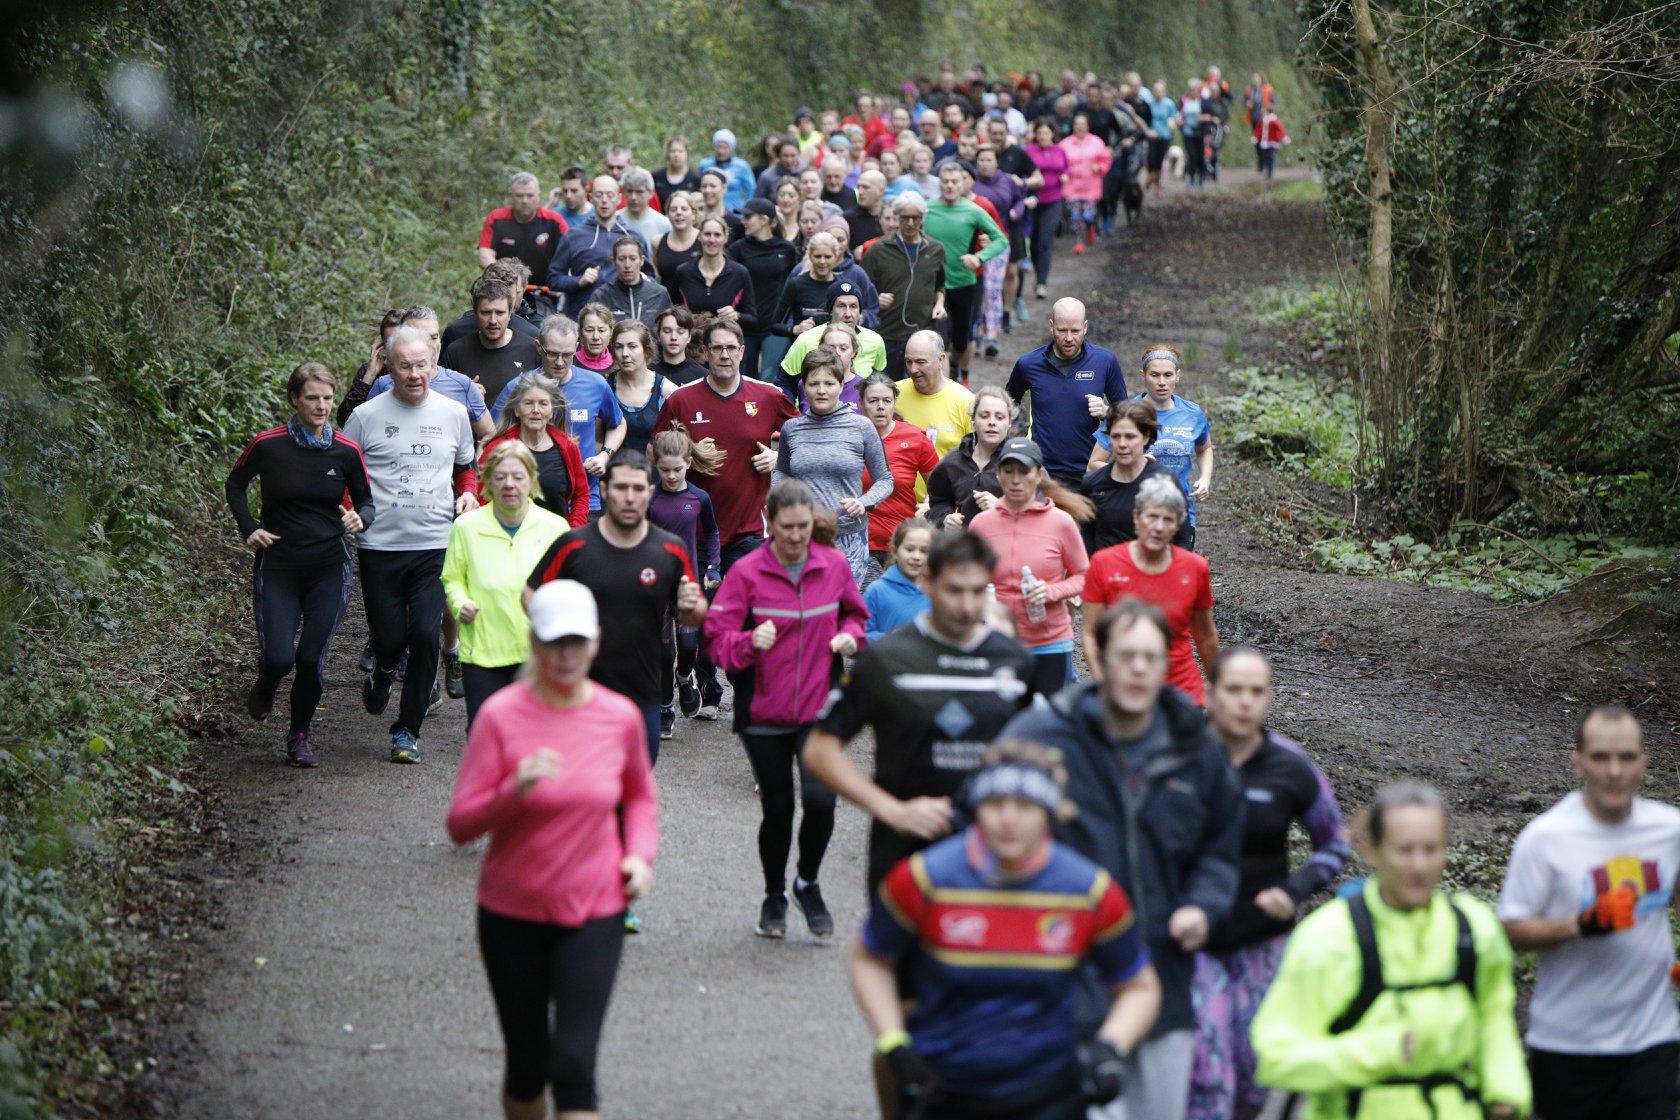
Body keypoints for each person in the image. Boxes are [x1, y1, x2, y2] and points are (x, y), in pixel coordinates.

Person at [1002, 599, 1244, 1120]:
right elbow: (985, 824)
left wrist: (1204, 905)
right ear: (1100, 658)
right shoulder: (1044, 740)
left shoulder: (1197, 749)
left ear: (1166, 663)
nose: (1138, 669)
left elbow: (1222, 850)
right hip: (1064, 975)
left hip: (1165, 977)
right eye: (1126, 655)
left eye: (1151, 658)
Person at [850, 741, 1162, 1120]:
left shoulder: (1088, 890)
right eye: (996, 804)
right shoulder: (926, 877)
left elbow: (1138, 985)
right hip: (943, 1089)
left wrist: (1109, 1048)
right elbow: (870, 958)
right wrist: (895, 1043)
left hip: (1048, 1093)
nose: (1008, 819)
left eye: (1026, 807)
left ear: (1049, 812)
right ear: (977, 807)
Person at [445, 579, 657, 1120]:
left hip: (595, 908)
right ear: (534, 644)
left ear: (596, 642)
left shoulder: (619, 717)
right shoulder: (501, 716)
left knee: (574, 1066)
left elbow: (639, 798)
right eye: (554, 642)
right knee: (527, 1067)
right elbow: (461, 825)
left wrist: (638, 855)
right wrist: (511, 790)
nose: (566, 654)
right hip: (511, 914)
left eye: (577, 642)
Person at [1252, 782, 1531, 1120]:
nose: (1419, 866)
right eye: (1404, 850)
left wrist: (1507, 1092)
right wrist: (1378, 1052)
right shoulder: (1329, 938)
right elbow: (1275, 1056)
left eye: (1431, 850)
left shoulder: (1475, 930)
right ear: (1371, 850)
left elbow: (1494, 1019)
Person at [1187, 648, 1351, 1120]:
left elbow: (1335, 845)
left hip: (1263, 944)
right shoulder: (1180, 756)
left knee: (1256, 1082)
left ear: (1269, 697)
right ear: (1210, 693)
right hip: (1196, 944)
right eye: (1233, 690)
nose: (1244, 702)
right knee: (1209, 1078)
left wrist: (1293, 892)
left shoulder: (1290, 765)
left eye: (1256, 691)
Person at [703, 479, 868, 940]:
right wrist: (747, 642)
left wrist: (849, 637)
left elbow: (856, 616)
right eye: (786, 528)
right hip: (764, 709)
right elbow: (717, 638)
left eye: (802, 527)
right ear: (769, 524)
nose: (796, 536)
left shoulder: (831, 565)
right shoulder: (748, 572)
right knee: (778, 810)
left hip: (819, 706)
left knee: (821, 801)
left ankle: (807, 882)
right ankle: (774, 894)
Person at [1498, 706, 1680, 1120]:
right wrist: (1580, 924)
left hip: (1653, 1041)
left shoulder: (1670, 830)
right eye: (1600, 757)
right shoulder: (1545, 838)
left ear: (1643, 762)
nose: (1614, 771)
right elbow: (1510, 930)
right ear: (1577, 762)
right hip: (1567, 1046)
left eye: (1626, 757)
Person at [343, 325, 480, 764]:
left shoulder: (453, 413)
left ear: (435, 365)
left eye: (423, 365)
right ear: (390, 366)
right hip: (379, 546)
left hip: (435, 544)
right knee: (388, 638)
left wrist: (470, 492)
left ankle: (407, 730)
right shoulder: (366, 416)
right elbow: (346, 472)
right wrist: (350, 510)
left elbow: (467, 467)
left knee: (424, 635)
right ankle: (384, 669)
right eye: (405, 366)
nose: (415, 374)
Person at [226, 362, 373, 768]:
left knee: (310, 658)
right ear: (295, 399)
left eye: (327, 398)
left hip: (329, 567)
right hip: (279, 567)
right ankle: (268, 681)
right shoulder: (268, 445)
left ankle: (299, 735)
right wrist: (249, 527)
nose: (322, 406)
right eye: (312, 398)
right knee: (278, 658)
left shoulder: (346, 449)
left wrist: (361, 518)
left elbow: (366, 501)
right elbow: (236, 484)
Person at [655, 319, 801, 718]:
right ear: (704, 353)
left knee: (746, 612)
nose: (723, 355)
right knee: (704, 615)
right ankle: (706, 686)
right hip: (696, 531)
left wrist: (778, 458)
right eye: (716, 348)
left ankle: (748, 692)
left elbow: (802, 434)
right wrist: (687, 448)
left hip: (750, 527)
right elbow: (660, 448)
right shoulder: (683, 400)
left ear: (741, 351)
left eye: (730, 348)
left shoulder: (767, 396)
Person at [525, 450, 705, 772]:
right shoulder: (573, 544)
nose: (630, 497)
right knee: (582, 787)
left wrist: (691, 606)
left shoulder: (669, 549)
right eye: (621, 488)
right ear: (605, 490)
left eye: (638, 489)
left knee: (635, 787)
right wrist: (554, 636)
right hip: (578, 691)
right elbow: (530, 593)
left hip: (642, 694)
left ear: (650, 492)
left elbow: (694, 614)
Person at [441, 442, 569, 727]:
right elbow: (452, 577)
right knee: (486, 734)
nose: (509, 484)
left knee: (533, 736)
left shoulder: (556, 528)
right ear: (487, 482)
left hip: (537, 653)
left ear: (532, 480)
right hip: (483, 651)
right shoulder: (466, 526)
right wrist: (460, 603)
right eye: (500, 477)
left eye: (518, 477)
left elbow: (568, 587)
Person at [968, 437, 1092, 695]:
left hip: (1049, 643)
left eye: (1024, 472)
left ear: (1039, 475)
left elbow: (1084, 576)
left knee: (1047, 724)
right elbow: (968, 579)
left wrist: (1050, 592)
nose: (1016, 480)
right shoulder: (981, 524)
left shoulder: (1060, 523)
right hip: (997, 642)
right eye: (1008, 471)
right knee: (1001, 724)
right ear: (998, 475)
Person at [1082, 475, 1217, 706]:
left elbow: (1205, 635)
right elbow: (1091, 635)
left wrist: (1219, 685)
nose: (1158, 527)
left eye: (1168, 520)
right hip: (1123, 685)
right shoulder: (1104, 563)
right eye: (1152, 517)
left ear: (1177, 525)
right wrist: (1105, 687)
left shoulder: (1195, 568)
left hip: (1181, 692)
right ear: (1136, 518)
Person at [773, 347, 894, 585]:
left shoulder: (861, 427)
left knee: (841, 609)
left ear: (841, 385)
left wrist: (864, 502)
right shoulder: (792, 428)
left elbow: (885, 479)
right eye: (813, 383)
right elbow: (781, 471)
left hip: (849, 535)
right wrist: (780, 498)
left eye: (828, 383)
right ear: (803, 386)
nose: (821, 390)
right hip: (802, 535)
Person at [492, 314, 627, 516]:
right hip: (530, 500)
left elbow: (617, 423)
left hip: (585, 499)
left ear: (577, 348)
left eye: (567, 355)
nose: (560, 362)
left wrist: (604, 456)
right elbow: (493, 435)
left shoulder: (596, 384)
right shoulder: (518, 388)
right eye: (552, 354)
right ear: (539, 347)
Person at [1005, 297, 1128, 488]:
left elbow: (1127, 415)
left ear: (1085, 327)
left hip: (1088, 471)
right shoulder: (1028, 364)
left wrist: (1107, 412)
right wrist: (1013, 440)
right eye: (1062, 331)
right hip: (1041, 471)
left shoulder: (1105, 361)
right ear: (1051, 327)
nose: (1069, 338)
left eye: (1075, 331)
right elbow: (1007, 404)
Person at [647, 430, 721, 737]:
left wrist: (714, 567)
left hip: (689, 582)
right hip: (655, 585)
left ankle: (685, 678)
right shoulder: (649, 497)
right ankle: (665, 709)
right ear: (656, 465)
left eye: (677, 469)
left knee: (689, 644)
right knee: (663, 653)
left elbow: (713, 534)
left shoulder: (699, 498)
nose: (672, 475)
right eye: (665, 470)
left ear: (688, 463)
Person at [348, 305, 495, 442]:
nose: (431, 344)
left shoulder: (462, 385)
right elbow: (357, 437)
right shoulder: (384, 384)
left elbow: (490, 435)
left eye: (434, 337)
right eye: (423, 337)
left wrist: (474, 467)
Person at [924, 159, 1006, 384]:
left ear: (962, 184)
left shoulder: (974, 211)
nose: (950, 186)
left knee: (961, 341)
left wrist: (979, 258)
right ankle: (943, 383)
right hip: (934, 285)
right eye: (945, 182)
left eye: (954, 182)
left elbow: (1001, 239)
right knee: (939, 339)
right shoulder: (927, 209)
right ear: (939, 184)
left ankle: (955, 367)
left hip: (964, 283)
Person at [1125, 344, 1212, 543]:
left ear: (1178, 375)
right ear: (1143, 375)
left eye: (1168, 375)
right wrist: (1132, 466)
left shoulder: (1192, 414)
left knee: (1178, 572)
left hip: (1180, 511)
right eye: (1154, 375)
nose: (1162, 382)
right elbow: (1096, 463)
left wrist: (1205, 478)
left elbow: (1204, 448)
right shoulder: (1126, 413)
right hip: (1136, 511)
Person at [480, 376, 590, 527]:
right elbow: (481, 496)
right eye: (528, 403)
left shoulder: (568, 447)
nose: (536, 410)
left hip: (556, 541)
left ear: (552, 411)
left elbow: (581, 494)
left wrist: (573, 530)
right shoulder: (497, 449)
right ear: (517, 410)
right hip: (509, 540)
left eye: (543, 404)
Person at [1083, 401, 1192, 552]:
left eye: (1130, 437)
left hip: (1152, 569)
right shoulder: (1092, 483)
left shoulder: (1165, 481)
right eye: (1115, 436)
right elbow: (1084, 541)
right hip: (1106, 572)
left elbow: (1182, 539)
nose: (1122, 444)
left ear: (1146, 437)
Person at [862, 194, 948, 375]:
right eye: (905, 218)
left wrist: (939, 304)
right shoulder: (878, 250)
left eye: (915, 218)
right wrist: (876, 299)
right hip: (887, 334)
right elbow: (861, 290)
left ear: (923, 218)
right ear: (896, 217)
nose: (910, 223)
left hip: (923, 333)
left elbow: (940, 284)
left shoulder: (935, 249)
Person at [859, 374, 939, 567]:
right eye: (873, 401)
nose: (881, 407)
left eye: (887, 401)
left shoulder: (914, 437)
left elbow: (939, 483)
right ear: (861, 403)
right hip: (858, 541)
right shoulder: (849, 435)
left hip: (901, 543)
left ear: (894, 402)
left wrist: (929, 504)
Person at [545, 175, 650, 316]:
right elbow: (553, 279)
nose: (604, 200)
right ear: (591, 198)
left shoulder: (634, 236)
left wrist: (637, 278)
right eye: (599, 195)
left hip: (625, 319)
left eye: (610, 195)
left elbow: (650, 278)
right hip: (583, 318)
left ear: (619, 199)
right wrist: (579, 281)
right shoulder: (573, 236)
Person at [442, 275, 544, 407]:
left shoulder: (532, 349)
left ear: (510, 315)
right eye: (486, 313)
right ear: (475, 314)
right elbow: (438, 396)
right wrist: (461, 393)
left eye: (500, 313)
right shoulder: (456, 351)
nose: (493, 321)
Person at [727, 197, 801, 379]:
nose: (743, 221)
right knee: (745, 379)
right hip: (745, 325)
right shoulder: (737, 249)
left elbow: (795, 286)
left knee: (770, 379)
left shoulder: (786, 249)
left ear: (764, 219)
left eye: (748, 217)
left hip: (775, 326)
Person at [926, 384, 1011, 528]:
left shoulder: (1019, 462)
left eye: (1000, 417)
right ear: (973, 421)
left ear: (1009, 424)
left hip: (1005, 546)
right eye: (984, 416)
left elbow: (1038, 509)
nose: (992, 422)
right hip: (962, 546)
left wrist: (1001, 507)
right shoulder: (952, 462)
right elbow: (938, 503)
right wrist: (945, 519)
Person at [970, 145, 1027, 357]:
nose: (985, 164)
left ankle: (991, 334)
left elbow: (1020, 199)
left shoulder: (1007, 180)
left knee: (993, 288)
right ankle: (976, 332)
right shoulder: (970, 182)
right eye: (981, 160)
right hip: (973, 244)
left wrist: (1016, 212)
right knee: (978, 290)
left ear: (997, 162)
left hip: (999, 240)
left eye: (989, 160)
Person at [780, 280, 888, 390]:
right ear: (830, 310)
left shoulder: (875, 340)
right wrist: (794, 407)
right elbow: (784, 381)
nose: (848, 314)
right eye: (841, 306)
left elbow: (880, 380)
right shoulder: (806, 339)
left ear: (860, 311)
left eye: (853, 306)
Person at [895, 330, 973, 459]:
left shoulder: (966, 401)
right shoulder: (892, 395)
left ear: (940, 360)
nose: (913, 369)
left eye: (921, 362)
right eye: (909, 361)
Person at [671, 216, 756, 331]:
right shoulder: (683, 272)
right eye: (707, 234)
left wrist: (736, 315)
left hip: (724, 343)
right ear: (699, 236)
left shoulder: (740, 273)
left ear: (725, 238)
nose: (712, 240)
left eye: (717, 235)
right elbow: (672, 312)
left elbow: (752, 319)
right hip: (692, 343)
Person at [477, 171, 569, 276]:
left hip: (547, 288)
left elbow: (571, 253)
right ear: (511, 196)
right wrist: (507, 276)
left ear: (538, 196)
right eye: (519, 195)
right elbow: (484, 256)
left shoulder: (554, 220)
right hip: (506, 286)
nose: (524, 200)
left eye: (530, 195)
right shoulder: (496, 219)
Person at [862, 518, 932, 642]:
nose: (916, 556)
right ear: (894, 551)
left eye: (924, 551)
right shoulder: (877, 590)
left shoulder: (939, 591)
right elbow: (862, 635)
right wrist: (891, 640)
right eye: (909, 549)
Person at [605, 320, 668, 456]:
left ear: (646, 349)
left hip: (652, 473)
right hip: (613, 473)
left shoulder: (666, 390)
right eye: (618, 347)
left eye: (632, 346)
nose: (625, 353)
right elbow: (597, 439)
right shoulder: (605, 387)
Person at [1024, 119, 1070, 297]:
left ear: (1052, 134)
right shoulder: (1028, 151)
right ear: (1035, 134)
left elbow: (1066, 168)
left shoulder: (1059, 151)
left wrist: (1065, 176)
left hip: (1053, 201)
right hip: (1033, 201)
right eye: (1040, 133)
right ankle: (1037, 271)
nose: (1043, 136)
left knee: (1045, 241)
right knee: (1034, 243)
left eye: (1046, 133)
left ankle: (1041, 282)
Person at [592, 236, 673, 332]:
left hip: (651, 346)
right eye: (621, 259)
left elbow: (669, 329)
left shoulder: (659, 294)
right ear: (614, 261)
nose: (627, 265)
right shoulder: (602, 295)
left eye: (633, 258)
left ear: (642, 260)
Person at [1058, 112, 1112, 253]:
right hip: (1071, 187)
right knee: (1075, 216)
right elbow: (1058, 163)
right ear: (1073, 126)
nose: (1080, 127)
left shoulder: (1097, 142)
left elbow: (1106, 160)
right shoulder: (1065, 144)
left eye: (1083, 124)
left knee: (1088, 215)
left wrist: (1099, 167)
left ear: (1088, 126)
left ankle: (1090, 228)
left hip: (1091, 186)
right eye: (1077, 124)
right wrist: (1063, 174)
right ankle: (1078, 242)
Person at [698, 128, 756, 213]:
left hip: (735, 212)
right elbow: (699, 188)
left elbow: (752, 190)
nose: (721, 151)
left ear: (731, 148)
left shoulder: (742, 166)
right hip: (711, 211)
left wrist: (747, 211)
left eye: (725, 147)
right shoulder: (705, 165)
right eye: (719, 147)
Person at [650, 191, 700, 289]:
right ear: (668, 215)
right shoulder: (657, 242)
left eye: (684, 209)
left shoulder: (704, 240)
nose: (678, 213)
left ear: (693, 213)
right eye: (673, 209)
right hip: (667, 302)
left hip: (697, 302)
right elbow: (656, 277)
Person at [650, 306, 708, 386]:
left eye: (680, 332)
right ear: (658, 335)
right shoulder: (647, 373)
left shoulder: (702, 376)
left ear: (689, 337)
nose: (673, 337)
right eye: (667, 331)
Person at [616, 168, 672, 246]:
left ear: (651, 193)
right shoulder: (614, 221)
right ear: (624, 192)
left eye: (639, 192)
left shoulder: (664, 224)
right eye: (629, 191)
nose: (633, 197)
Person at [1145, 80, 1178, 198]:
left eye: (1160, 91)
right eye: (1156, 91)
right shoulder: (1149, 104)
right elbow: (1145, 119)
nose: (1158, 93)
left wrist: (1172, 122)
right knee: (1150, 161)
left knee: (1159, 163)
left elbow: (1174, 117)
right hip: (1152, 135)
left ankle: (1157, 187)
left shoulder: (1169, 104)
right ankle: (1151, 178)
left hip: (1165, 136)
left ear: (1164, 92)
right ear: (1153, 92)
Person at [654, 136, 700, 210]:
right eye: (673, 151)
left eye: (680, 151)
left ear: (687, 153)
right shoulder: (656, 177)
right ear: (668, 154)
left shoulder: (695, 179)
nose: (676, 155)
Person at [844, 169, 888, 247]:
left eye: (865, 187)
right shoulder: (848, 218)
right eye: (858, 187)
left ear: (881, 191)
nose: (860, 192)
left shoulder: (893, 216)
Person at [754, 136, 804, 201]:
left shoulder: (805, 173)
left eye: (793, 155)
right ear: (778, 155)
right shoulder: (767, 177)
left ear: (798, 154)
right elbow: (757, 202)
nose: (789, 160)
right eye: (785, 156)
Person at [573, 302, 616, 374]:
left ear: (611, 332)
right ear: (580, 332)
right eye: (589, 330)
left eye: (601, 330)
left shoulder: (619, 364)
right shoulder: (570, 365)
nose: (595, 337)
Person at [1253, 104, 1289, 179]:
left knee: (1270, 157)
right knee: (1267, 157)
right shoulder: (1264, 120)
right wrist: (1255, 137)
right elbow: (1259, 130)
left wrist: (1284, 137)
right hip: (1265, 142)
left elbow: (1280, 129)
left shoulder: (1273, 120)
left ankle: (1270, 172)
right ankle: (1268, 170)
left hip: (1272, 142)